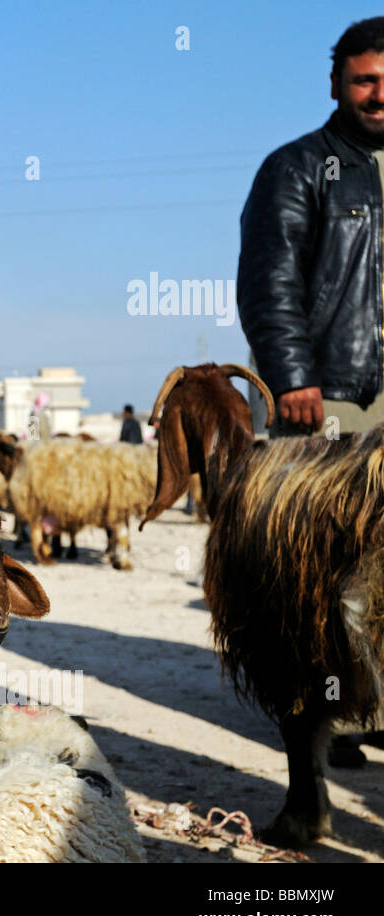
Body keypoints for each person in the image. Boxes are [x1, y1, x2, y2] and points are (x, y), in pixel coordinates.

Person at [238, 16, 384, 765]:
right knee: (322, 567)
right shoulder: (297, 167)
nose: (379, 94)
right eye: (365, 79)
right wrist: (292, 375)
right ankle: (340, 711)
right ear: (336, 84)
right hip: (334, 397)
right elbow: (270, 283)